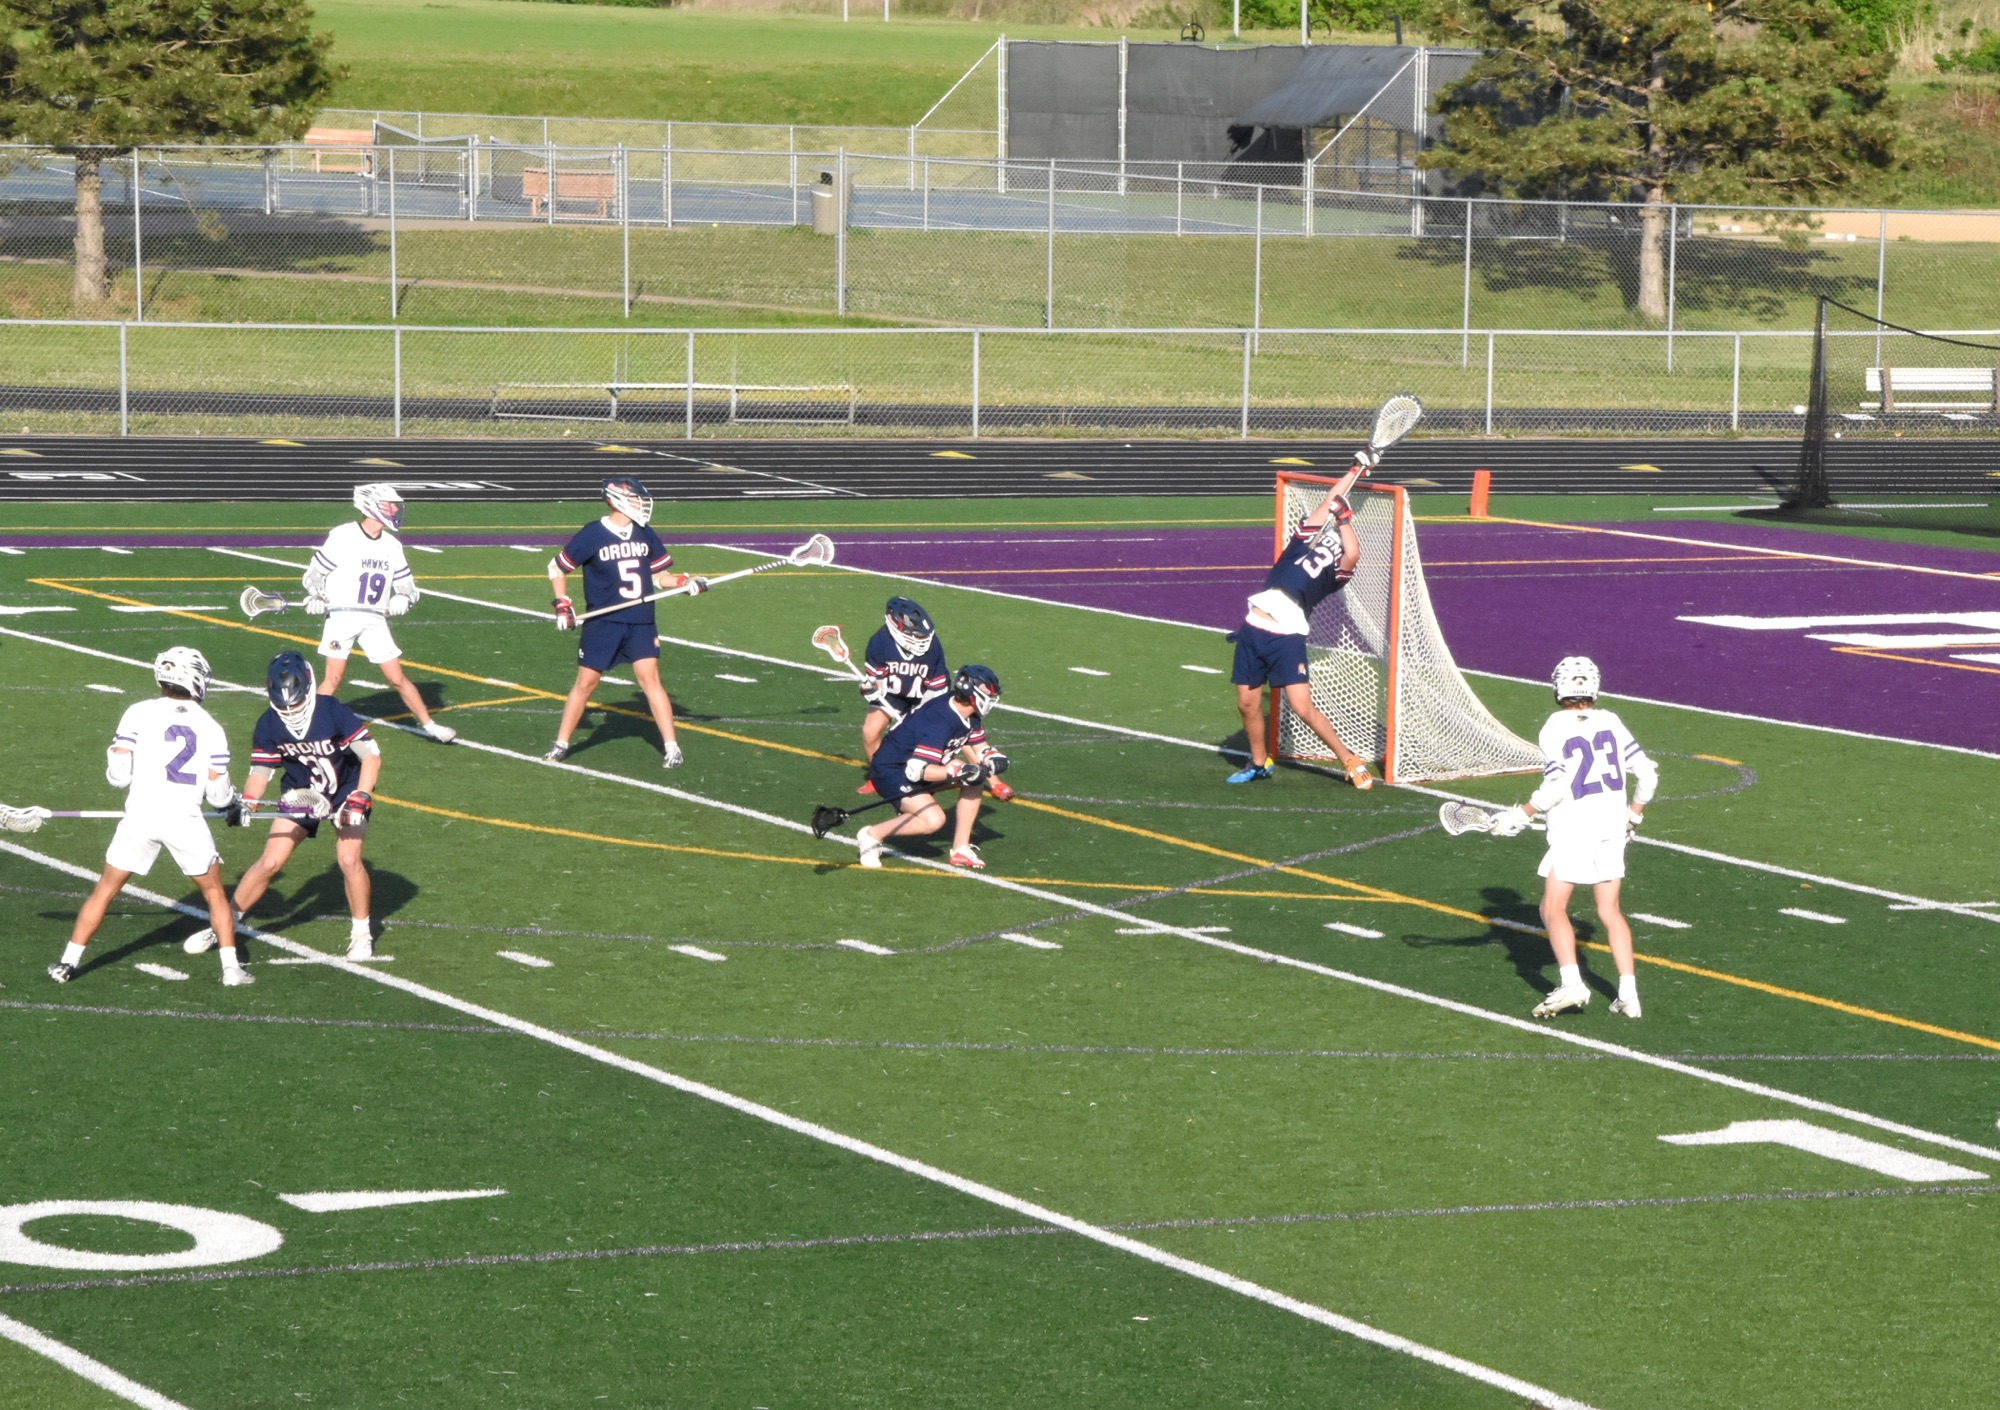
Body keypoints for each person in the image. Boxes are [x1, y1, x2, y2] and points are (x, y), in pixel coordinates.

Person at [49, 646, 250, 986]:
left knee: (105, 889)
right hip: (184, 818)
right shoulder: (211, 726)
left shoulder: (138, 712)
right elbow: (217, 794)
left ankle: (67, 963)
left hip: (140, 815)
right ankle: (231, 969)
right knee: (214, 893)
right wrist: (233, 804)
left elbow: (118, 777)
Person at [184, 652, 385, 962]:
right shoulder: (268, 724)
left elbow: (371, 756)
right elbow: (260, 773)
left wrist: (361, 796)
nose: (291, 712)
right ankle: (225, 924)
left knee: (347, 858)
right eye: (284, 706)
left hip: (347, 790)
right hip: (301, 793)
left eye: (297, 703)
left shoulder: (331, 711)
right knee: (269, 862)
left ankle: (361, 933)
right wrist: (246, 803)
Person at [1490, 655, 1659, 1019]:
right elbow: (1648, 777)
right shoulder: (1611, 720)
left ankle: (1571, 983)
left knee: (1552, 908)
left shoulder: (1554, 726)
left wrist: (1520, 816)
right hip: (1613, 827)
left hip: (1576, 830)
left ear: (1558, 687)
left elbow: (1558, 786)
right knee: (1609, 910)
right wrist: (1633, 817)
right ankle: (1629, 996)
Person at [1225, 463, 1376, 789]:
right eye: (1331, 535)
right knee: (1246, 703)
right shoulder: (1299, 544)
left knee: (1302, 707)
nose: (1331, 541)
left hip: (1287, 637)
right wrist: (1355, 469)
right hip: (1253, 627)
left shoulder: (1336, 573)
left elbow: (1353, 553)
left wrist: (1345, 520)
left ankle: (1349, 760)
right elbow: (1329, 502)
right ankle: (1258, 762)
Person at [543, 477, 707, 768]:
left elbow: (658, 577)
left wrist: (685, 581)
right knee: (586, 683)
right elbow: (557, 567)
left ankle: (672, 747)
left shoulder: (644, 533)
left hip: (640, 620)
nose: (640, 505)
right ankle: (561, 743)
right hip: (604, 621)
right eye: (634, 498)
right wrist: (562, 605)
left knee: (651, 679)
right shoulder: (593, 533)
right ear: (616, 500)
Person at [303, 483, 457, 744]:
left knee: (397, 677)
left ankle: (430, 726)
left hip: (374, 619)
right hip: (342, 618)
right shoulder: (343, 536)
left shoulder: (392, 546)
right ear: (371, 505)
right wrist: (316, 594)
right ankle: (308, 731)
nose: (395, 509)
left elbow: (408, 587)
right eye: (389, 504)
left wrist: (403, 598)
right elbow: (314, 575)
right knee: (334, 677)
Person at [854, 664, 1008, 872]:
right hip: (892, 771)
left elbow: (979, 746)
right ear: (974, 695)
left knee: (975, 780)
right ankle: (872, 835)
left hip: (917, 766)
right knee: (934, 820)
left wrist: (992, 758)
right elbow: (918, 770)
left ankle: (960, 848)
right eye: (988, 694)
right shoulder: (939, 722)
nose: (991, 700)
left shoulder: (968, 713)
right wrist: (956, 771)